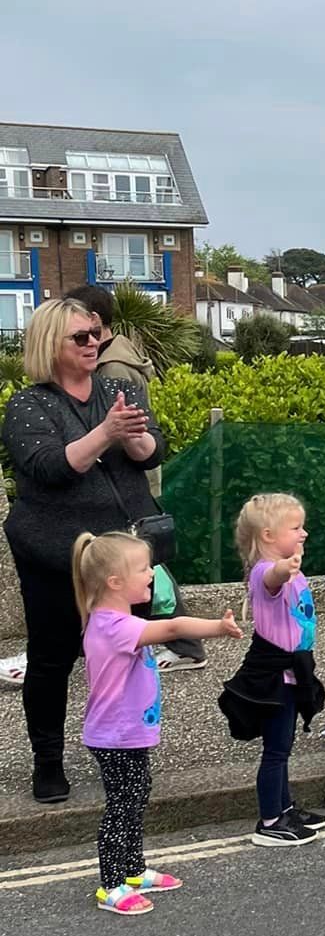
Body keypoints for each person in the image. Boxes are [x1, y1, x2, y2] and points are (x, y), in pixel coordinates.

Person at [2, 297, 168, 803]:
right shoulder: (28, 404)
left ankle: (124, 752)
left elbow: (153, 449)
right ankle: (47, 760)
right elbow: (51, 467)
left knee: (127, 655)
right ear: (51, 344)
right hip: (57, 555)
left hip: (120, 556)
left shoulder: (118, 387)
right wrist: (106, 432)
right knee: (53, 660)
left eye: (95, 333)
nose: (93, 342)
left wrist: (137, 440)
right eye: (80, 336)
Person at [71, 529, 241, 914]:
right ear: (115, 582)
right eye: (144, 568)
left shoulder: (114, 620)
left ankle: (132, 870)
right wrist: (217, 627)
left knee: (136, 795)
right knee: (122, 806)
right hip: (114, 736)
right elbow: (174, 628)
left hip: (126, 734)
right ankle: (110, 885)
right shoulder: (115, 627)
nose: (152, 573)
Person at [63, 282, 206, 673]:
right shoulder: (123, 355)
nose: (84, 341)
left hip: (126, 481)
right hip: (128, 477)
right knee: (141, 560)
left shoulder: (110, 368)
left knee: (143, 563)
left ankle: (183, 644)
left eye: (82, 328)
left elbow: (135, 434)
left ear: (94, 322)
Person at [222, 493, 325, 848]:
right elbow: (273, 578)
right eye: (296, 528)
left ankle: (285, 807)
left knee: (285, 746)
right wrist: (287, 568)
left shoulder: (287, 567)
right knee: (276, 749)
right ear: (268, 535)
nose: (304, 534)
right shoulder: (265, 571)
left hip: (293, 672)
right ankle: (270, 820)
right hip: (275, 677)